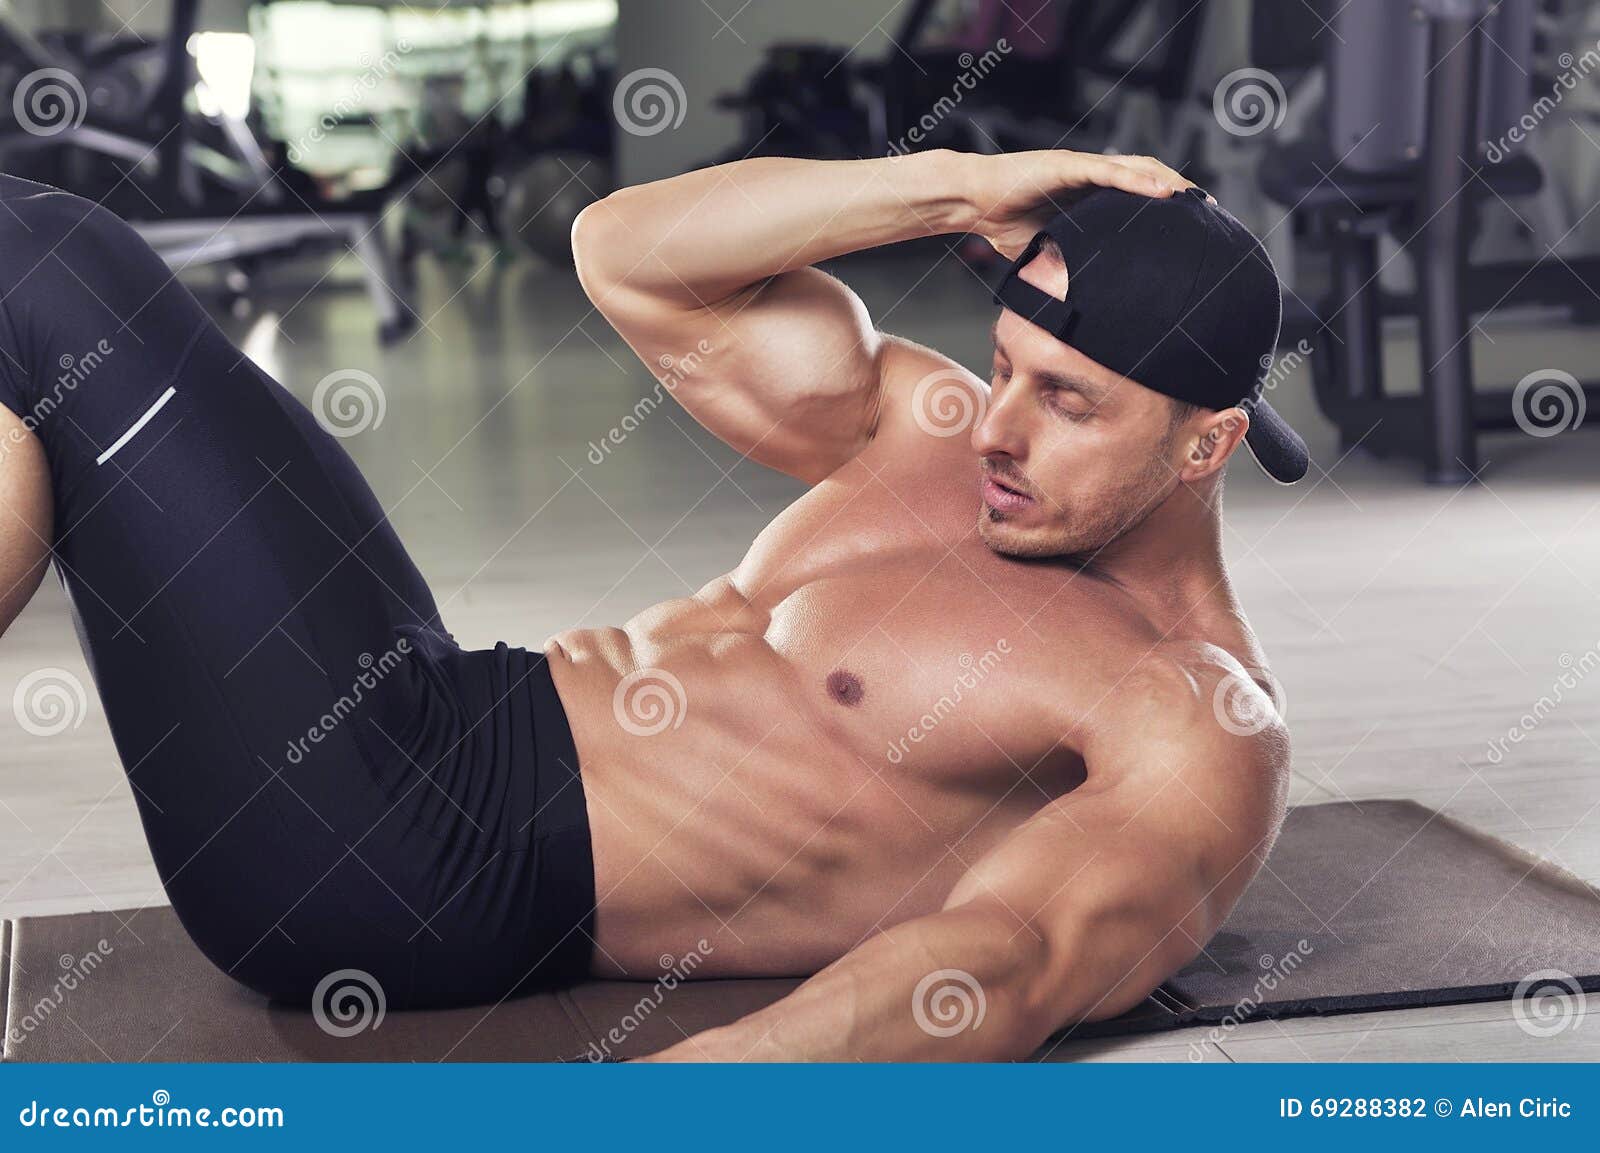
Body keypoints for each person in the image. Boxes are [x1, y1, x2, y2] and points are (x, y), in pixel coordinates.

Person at [0, 146, 1298, 1062]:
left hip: (409, 866)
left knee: (54, 265)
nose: (997, 426)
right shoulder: (936, 429)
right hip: (432, 698)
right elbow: (626, 253)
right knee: (33, 353)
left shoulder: (1189, 706)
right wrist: (958, 181)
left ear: (1205, 445)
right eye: (1008, 364)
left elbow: (1005, 961)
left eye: (1066, 402)